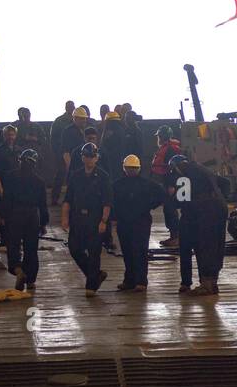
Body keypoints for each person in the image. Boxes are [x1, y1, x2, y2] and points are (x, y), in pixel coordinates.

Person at [168, 154, 228, 296]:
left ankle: (205, 285)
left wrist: (172, 194)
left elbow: (179, 201)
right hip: (219, 208)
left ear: (177, 167)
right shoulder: (203, 169)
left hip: (203, 212)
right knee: (216, 245)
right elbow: (225, 183)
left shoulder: (184, 174)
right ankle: (212, 283)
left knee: (203, 246)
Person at [61, 142, 112, 296]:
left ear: (96, 158)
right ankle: (94, 275)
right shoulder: (76, 176)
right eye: (86, 156)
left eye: (92, 156)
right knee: (74, 249)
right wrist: (65, 218)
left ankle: (91, 285)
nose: (89, 159)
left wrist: (104, 221)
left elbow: (107, 202)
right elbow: (68, 199)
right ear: (82, 157)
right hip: (77, 218)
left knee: (94, 252)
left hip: (95, 219)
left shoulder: (103, 177)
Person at [111, 154, 165, 293]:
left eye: (132, 168)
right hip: (131, 222)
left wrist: (149, 206)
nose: (131, 171)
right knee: (129, 252)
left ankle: (140, 281)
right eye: (130, 168)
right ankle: (130, 280)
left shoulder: (119, 185)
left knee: (139, 252)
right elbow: (162, 195)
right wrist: (149, 206)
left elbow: (161, 195)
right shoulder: (122, 185)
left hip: (137, 222)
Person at [1, 149, 49, 292]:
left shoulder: (10, 177)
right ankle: (31, 280)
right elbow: (43, 204)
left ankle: (17, 269)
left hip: (15, 215)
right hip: (32, 216)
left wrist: (3, 216)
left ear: (19, 160)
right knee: (31, 249)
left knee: (13, 246)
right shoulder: (39, 182)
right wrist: (44, 223)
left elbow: (6, 199)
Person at [150, 125, 183, 247]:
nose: (157, 139)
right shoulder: (167, 148)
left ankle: (176, 236)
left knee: (170, 209)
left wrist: (171, 185)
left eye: (158, 136)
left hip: (169, 184)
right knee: (168, 209)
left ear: (162, 137)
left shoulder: (170, 150)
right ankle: (174, 235)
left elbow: (173, 169)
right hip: (164, 183)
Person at [0, 124, 19, 247]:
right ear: (4, 136)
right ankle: (4, 241)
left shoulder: (18, 150)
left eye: (12, 134)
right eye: (8, 134)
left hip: (16, 186)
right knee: (4, 214)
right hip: (4, 185)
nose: (10, 137)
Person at [57, 105, 89, 203]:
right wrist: (69, 165)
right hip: (74, 163)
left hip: (85, 163)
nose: (83, 121)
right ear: (74, 118)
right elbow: (66, 150)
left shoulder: (86, 130)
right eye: (81, 118)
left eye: (84, 119)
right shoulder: (68, 131)